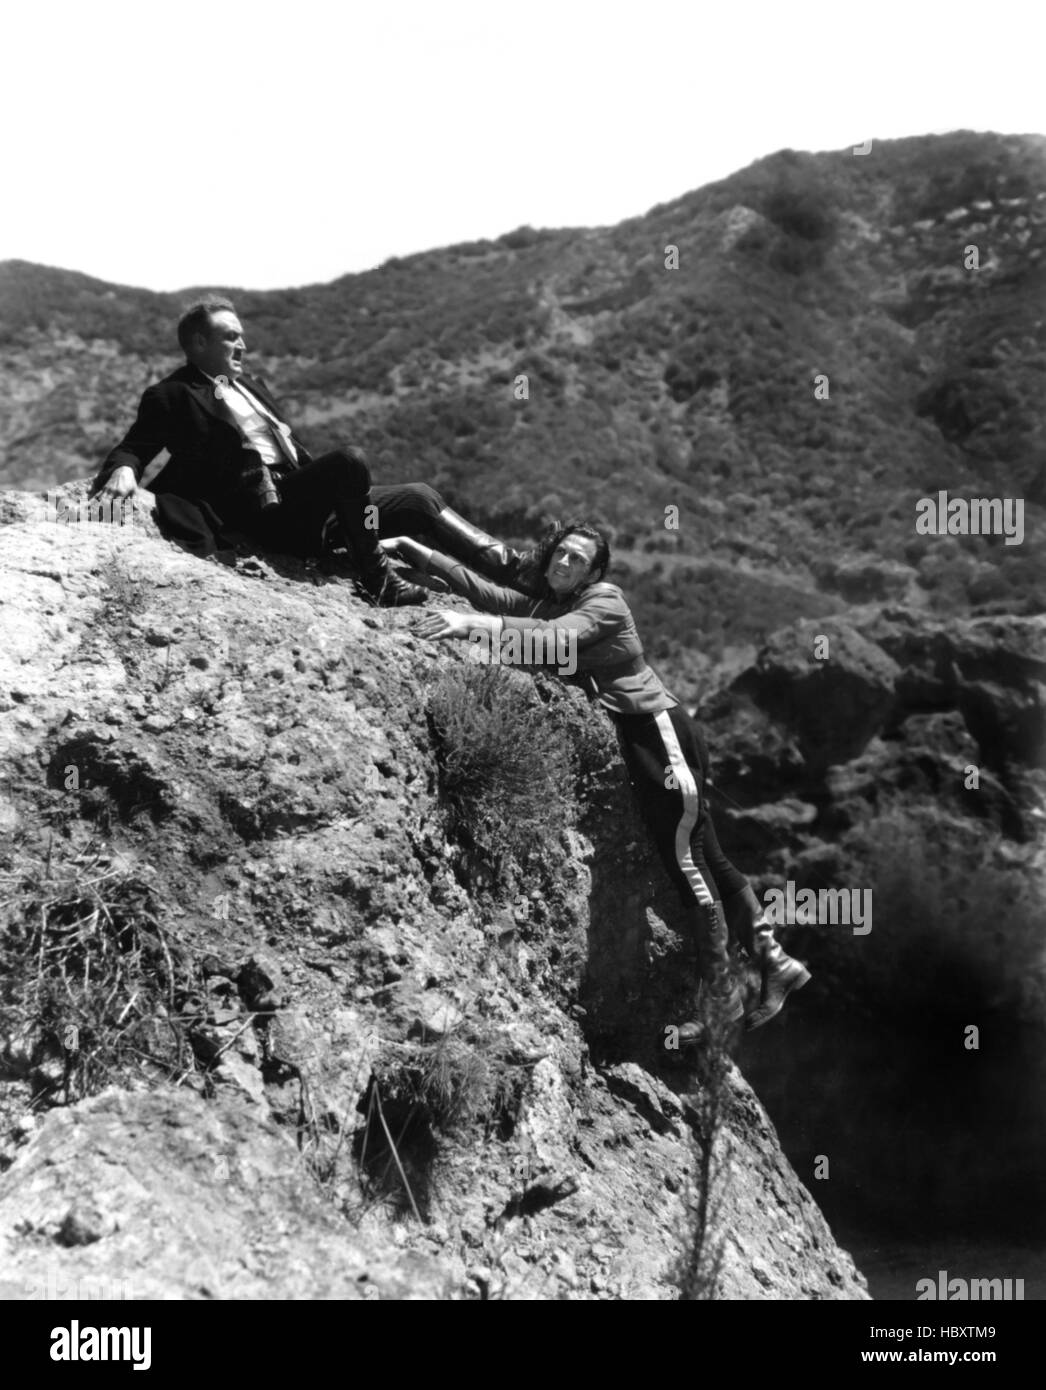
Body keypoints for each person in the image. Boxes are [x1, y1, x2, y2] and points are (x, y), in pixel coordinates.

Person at [396, 521, 810, 1034]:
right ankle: (777, 964)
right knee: (708, 856)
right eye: (560, 554)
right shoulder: (555, 602)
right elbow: (494, 594)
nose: (564, 564)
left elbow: (555, 640)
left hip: (661, 735)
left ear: (594, 572)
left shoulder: (603, 603)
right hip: (648, 739)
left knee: (687, 862)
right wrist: (419, 550)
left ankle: (722, 1000)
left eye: (577, 560)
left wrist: (466, 625)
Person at [90, 296, 538, 608]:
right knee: (349, 460)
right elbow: (135, 445)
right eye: (229, 337)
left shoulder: (252, 386)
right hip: (269, 515)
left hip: (310, 507)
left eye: (242, 336)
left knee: (419, 497)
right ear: (198, 344)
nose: (242, 345)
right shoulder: (172, 395)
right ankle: (377, 578)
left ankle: (514, 570)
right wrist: (125, 470)